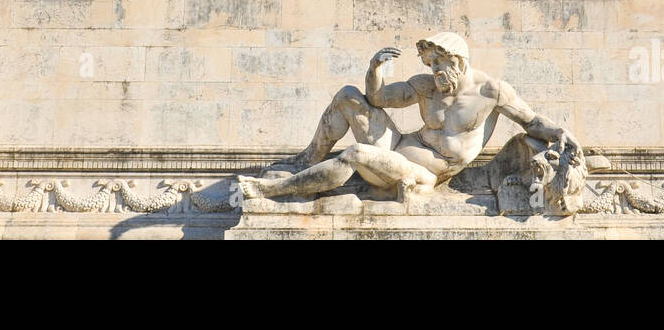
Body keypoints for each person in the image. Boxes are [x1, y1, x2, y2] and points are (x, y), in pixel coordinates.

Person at [236, 33, 578, 199]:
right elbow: (377, 98)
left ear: (458, 61)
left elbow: (531, 122)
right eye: (429, 64)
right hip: (397, 144)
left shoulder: (492, 92)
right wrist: (374, 68)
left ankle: (272, 190)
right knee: (348, 97)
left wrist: (560, 132)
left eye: (439, 64)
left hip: (426, 172)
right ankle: (309, 158)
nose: (434, 71)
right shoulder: (424, 85)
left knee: (356, 154)